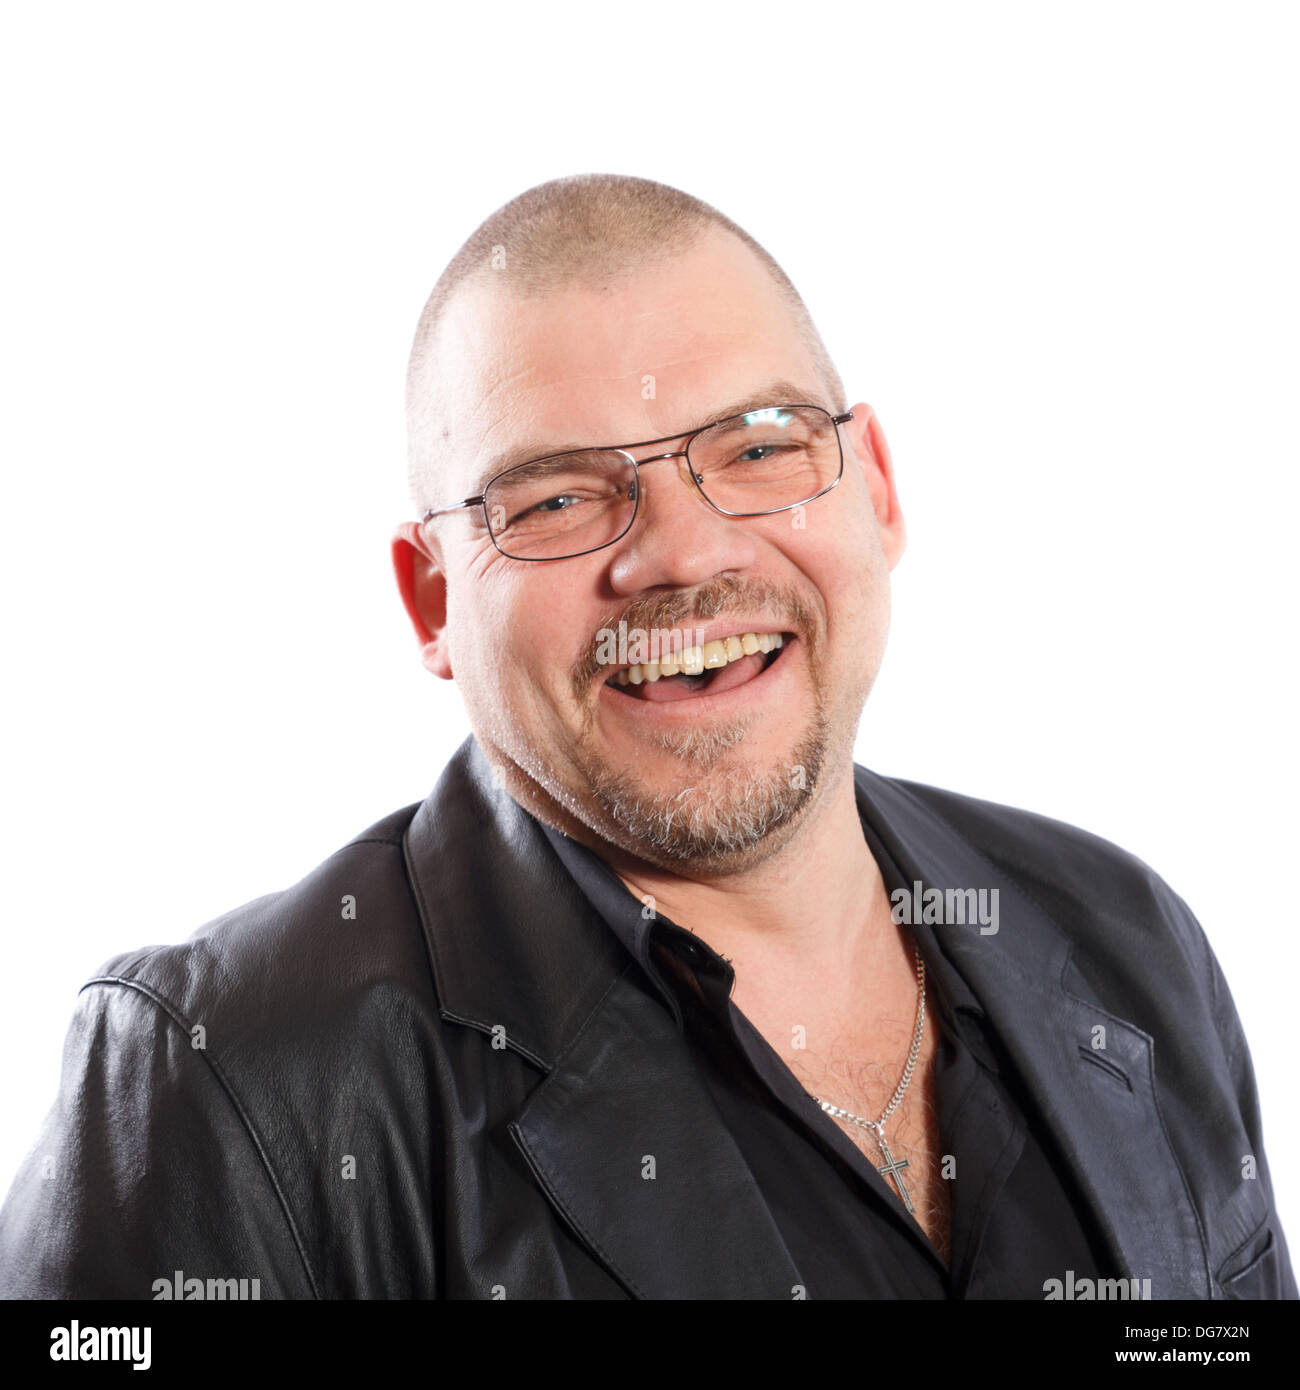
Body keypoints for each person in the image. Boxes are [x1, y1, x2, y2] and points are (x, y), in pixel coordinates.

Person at [0, 174, 1292, 1300]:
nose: (684, 550)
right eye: (560, 496)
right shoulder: (233, 1082)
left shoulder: (1125, 936)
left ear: (878, 488)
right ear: (432, 597)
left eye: (760, 445)